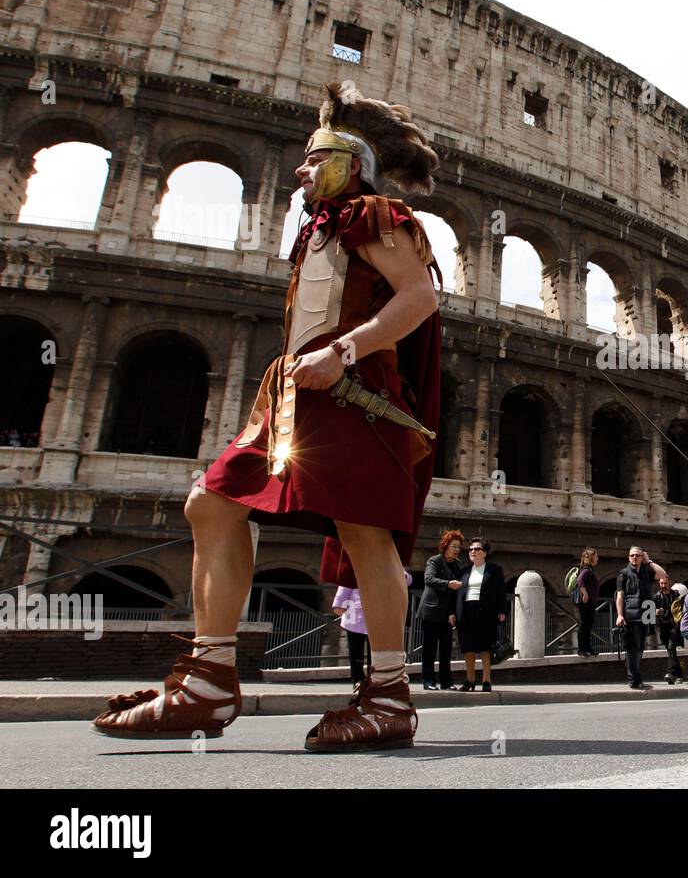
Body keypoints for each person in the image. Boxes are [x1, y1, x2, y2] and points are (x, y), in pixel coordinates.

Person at [91, 82, 442, 751]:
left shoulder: (376, 215)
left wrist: (345, 349)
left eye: (314, 160)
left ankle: (391, 697)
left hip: (354, 388)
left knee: (365, 535)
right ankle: (210, 680)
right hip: (293, 394)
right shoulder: (319, 230)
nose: (300, 170)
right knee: (211, 502)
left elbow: (419, 297)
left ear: (350, 164)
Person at [451, 537, 508, 692]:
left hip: (486, 611)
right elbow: (455, 594)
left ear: (485, 553)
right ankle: (469, 680)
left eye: (477, 549)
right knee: (467, 647)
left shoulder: (494, 570)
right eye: (471, 549)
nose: (473, 552)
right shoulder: (463, 570)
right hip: (466, 610)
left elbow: (500, 591)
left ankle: (486, 680)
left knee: (485, 647)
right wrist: (452, 612)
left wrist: (502, 610)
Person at [614, 546, 668, 690]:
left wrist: (649, 561)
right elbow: (620, 595)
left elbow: (663, 575)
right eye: (632, 555)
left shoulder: (646, 573)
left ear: (641, 557)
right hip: (631, 614)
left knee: (641, 648)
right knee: (633, 648)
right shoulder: (623, 574)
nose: (634, 558)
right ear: (628, 557)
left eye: (637, 555)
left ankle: (635, 676)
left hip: (646, 612)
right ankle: (634, 680)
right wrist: (620, 615)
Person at [420, 530, 465, 690]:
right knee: (429, 649)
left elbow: (456, 592)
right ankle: (428, 681)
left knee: (446, 650)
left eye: (459, 547)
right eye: (454, 546)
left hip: (447, 613)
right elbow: (429, 579)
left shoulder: (457, 565)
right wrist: (447, 584)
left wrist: (453, 612)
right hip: (431, 611)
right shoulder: (434, 561)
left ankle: (446, 681)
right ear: (445, 546)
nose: (456, 549)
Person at [652, 576, 684, 684]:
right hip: (663, 628)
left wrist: (678, 618)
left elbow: (682, 610)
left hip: (674, 626)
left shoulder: (676, 595)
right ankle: (679, 675)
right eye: (661, 584)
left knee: (671, 647)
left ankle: (670, 673)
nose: (663, 586)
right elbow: (650, 612)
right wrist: (655, 612)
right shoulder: (656, 597)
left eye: (665, 583)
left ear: (669, 583)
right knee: (671, 651)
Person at [575, 547, 600, 657]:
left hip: (590, 602)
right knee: (584, 625)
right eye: (596, 556)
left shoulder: (589, 570)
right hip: (586, 602)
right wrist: (585, 594)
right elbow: (580, 580)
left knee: (588, 625)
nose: (598, 558)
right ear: (591, 558)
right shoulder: (586, 570)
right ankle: (581, 649)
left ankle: (588, 647)